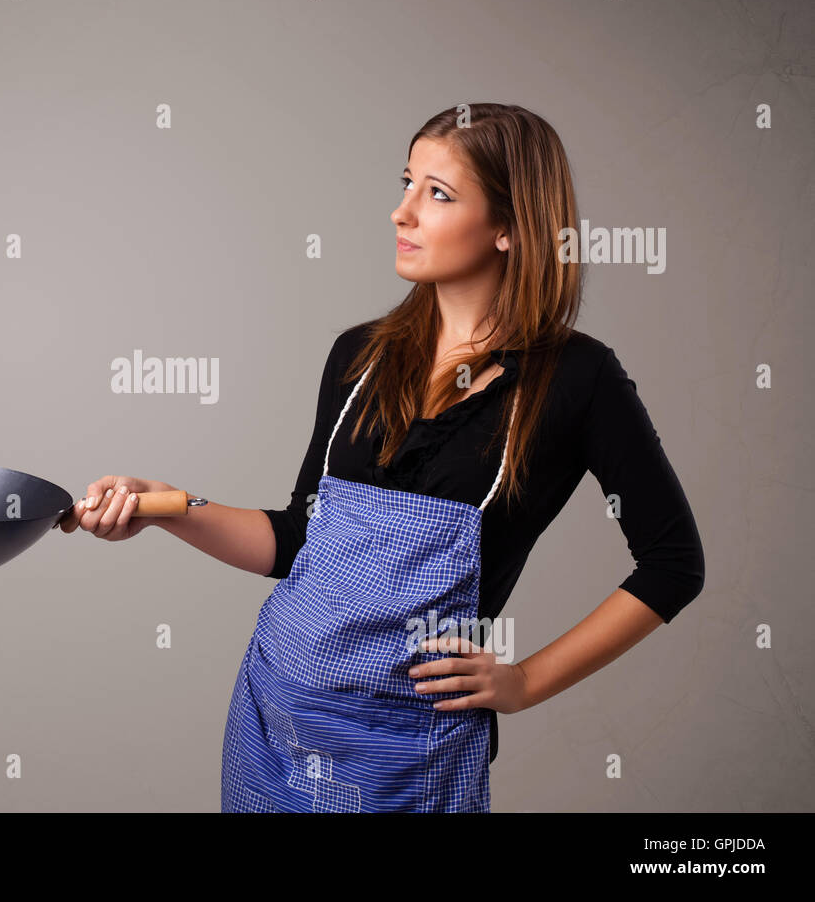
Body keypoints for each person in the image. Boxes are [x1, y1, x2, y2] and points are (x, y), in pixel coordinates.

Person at [58, 103, 705, 813]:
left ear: (509, 228)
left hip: (409, 748)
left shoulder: (576, 381)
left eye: (437, 194)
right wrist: (171, 506)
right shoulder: (359, 357)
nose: (401, 213)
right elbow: (298, 541)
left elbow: (674, 564)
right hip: (274, 717)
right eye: (406, 183)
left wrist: (523, 683)